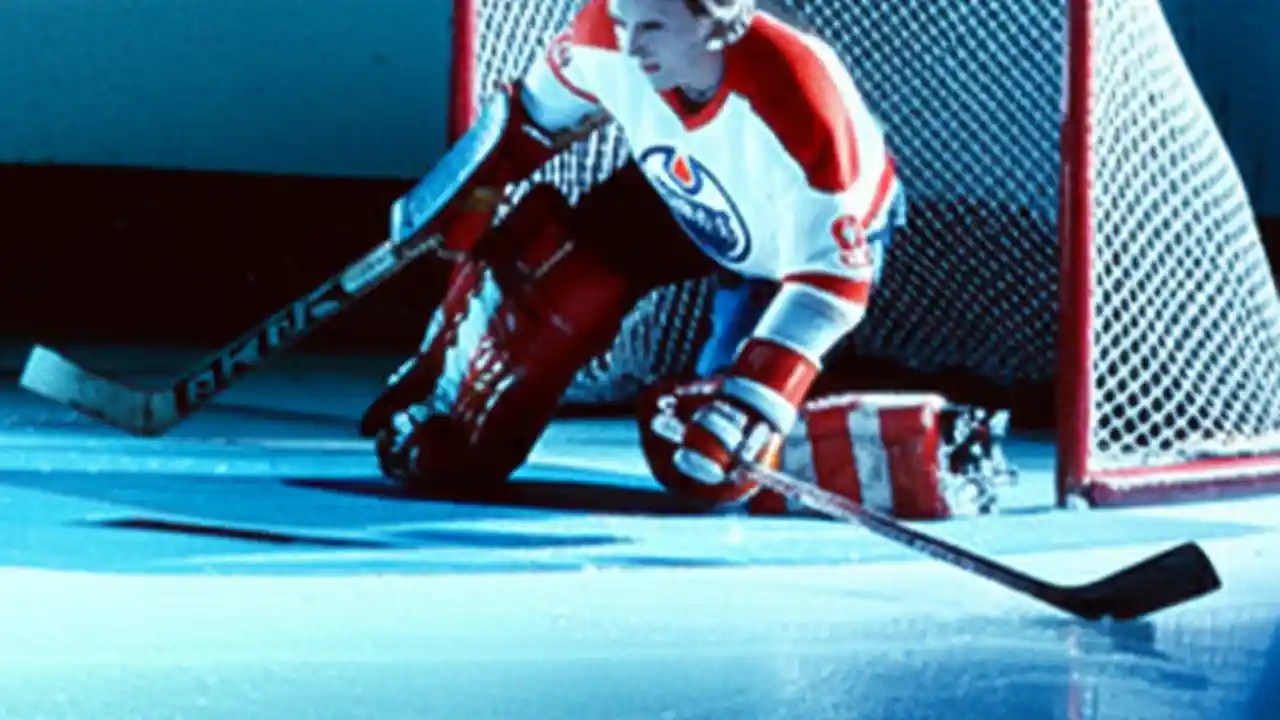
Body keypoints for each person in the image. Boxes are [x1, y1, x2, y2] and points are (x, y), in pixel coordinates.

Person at [361, 0, 907, 506]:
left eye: (651, 28)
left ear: (723, 23)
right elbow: (526, 122)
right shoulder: (606, 31)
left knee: (709, 467)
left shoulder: (804, 109)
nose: (628, 45)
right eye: (624, 22)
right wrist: (469, 189)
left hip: (790, 257)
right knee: (553, 274)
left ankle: (827, 402)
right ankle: (451, 394)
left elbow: (831, 284)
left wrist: (754, 396)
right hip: (683, 192)